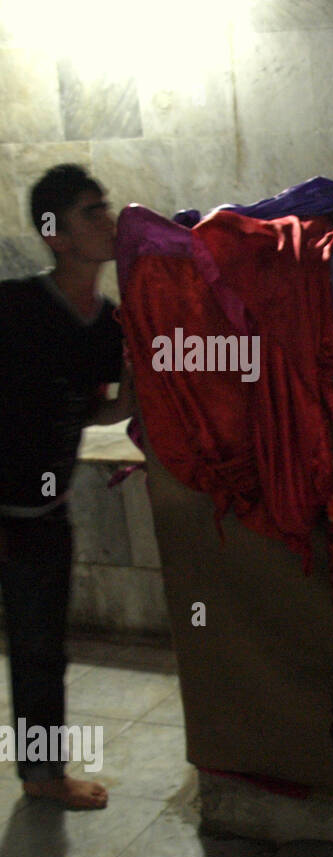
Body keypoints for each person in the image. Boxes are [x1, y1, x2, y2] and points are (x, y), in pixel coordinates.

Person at [0, 164, 135, 807]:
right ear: (54, 233)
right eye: (91, 211)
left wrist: (139, 391)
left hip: (41, 510)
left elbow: (93, 410)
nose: (108, 221)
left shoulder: (108, 325)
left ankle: (43, 775)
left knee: (40, 650)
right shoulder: (14, 305)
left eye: (106, 207)